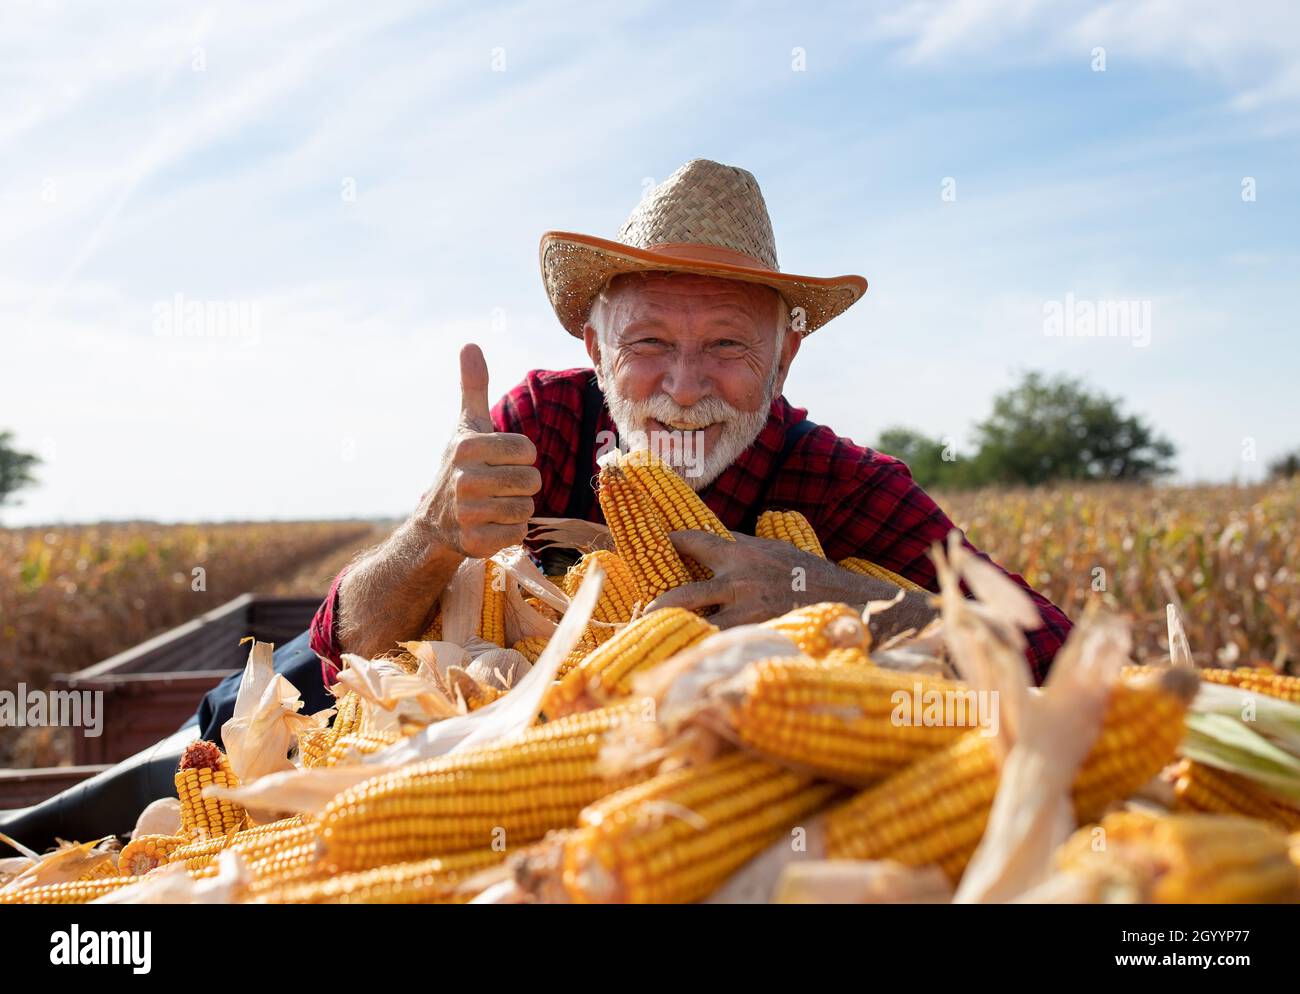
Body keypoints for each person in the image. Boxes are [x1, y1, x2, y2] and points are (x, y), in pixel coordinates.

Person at [307, 158, 1072, 689]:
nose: (681, 388)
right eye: (647, 343)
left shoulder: (837, 482)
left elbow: (1057, 653)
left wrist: (838, 600)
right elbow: (344, 652)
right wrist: (427, 536)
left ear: (784, 358)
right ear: (596, 349)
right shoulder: (541, 426)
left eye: (728, 345)